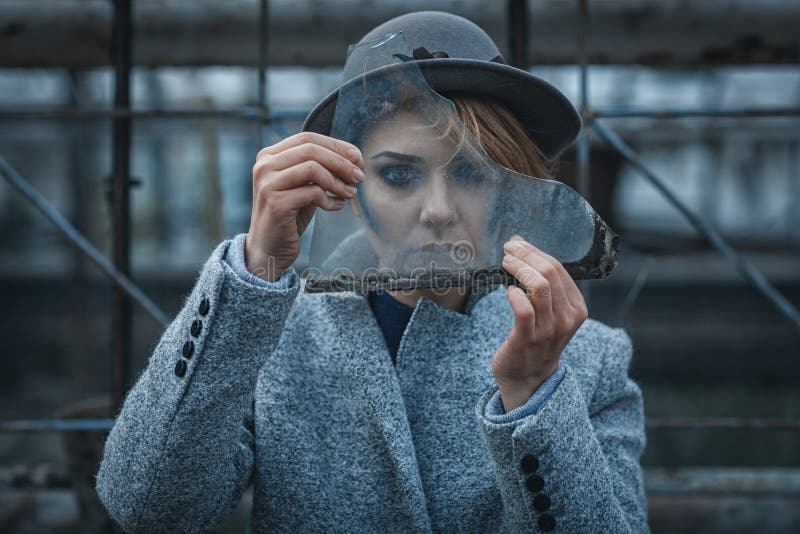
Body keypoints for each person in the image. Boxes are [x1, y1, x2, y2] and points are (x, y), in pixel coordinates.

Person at [96, 11, 649, 533]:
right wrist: (252, 276)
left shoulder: (587, 361)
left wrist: (532, 393)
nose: (438, 210)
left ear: (510, 195)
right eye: (399, 176)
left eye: (472, 175)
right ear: (351, 193)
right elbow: (147, 507)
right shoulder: (270, 344)